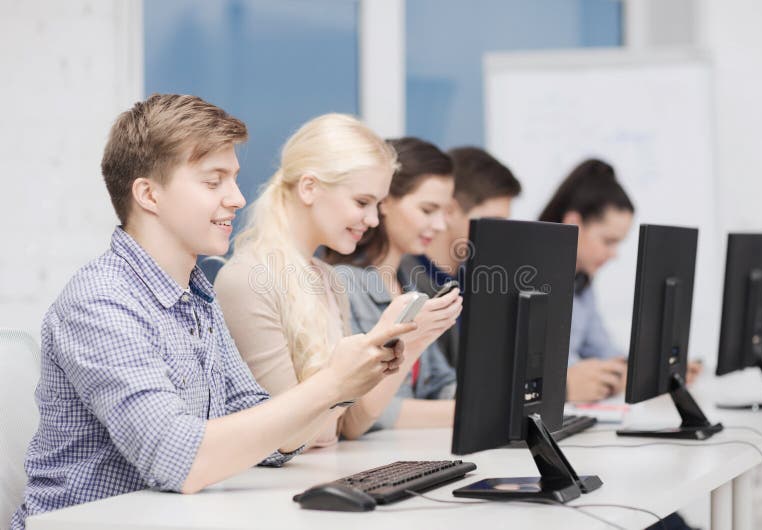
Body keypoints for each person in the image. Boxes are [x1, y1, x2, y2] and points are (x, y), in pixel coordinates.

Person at [11, 96, 414, 529]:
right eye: (213, 182)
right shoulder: (100, 302)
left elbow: (273, 440)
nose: (237, 198)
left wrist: (347, 381)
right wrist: (332, 383)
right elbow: (179, 461)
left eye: (234, 179)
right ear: (149, 194)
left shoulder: (195, 298)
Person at [215, 116, 443, 444]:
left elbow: (348, 426)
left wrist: (408, 342)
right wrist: (370, 347)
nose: (373, 219)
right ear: (309, 188)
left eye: (377, 205)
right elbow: (286, 440)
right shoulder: (248, 280)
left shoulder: (329, 281)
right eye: (362, 202)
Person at [326, 137, 462, 429]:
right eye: (427, 210)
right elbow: (363, 411)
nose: (440, 226)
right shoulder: (342, 283)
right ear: (384, 201)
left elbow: (441, 382)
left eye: (443, 212)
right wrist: (470, 414)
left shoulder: (411, 287)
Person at [539, 158, 702, 402]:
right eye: (608, 241)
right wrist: (573, 385)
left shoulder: (581, 287)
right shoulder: (526, 279)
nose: (613, 254)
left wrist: (655, 370)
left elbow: (606, 353)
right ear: (574, 223)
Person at [399, 146, 522, 368]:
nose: (501, 236)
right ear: (450, 211)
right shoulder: (406, 282)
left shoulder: (475, 281)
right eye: (494, 222)